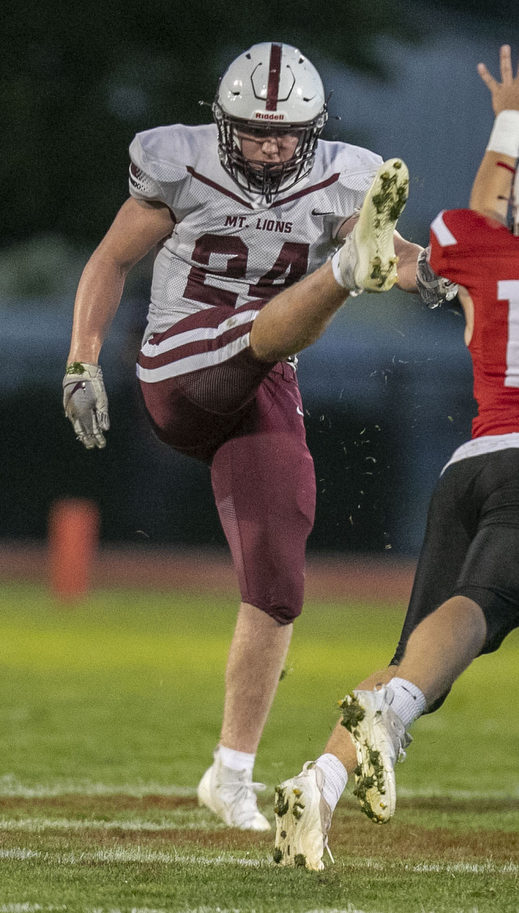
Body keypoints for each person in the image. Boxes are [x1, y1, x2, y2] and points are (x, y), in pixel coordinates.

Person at [270, 42, 519, 870]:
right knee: (478, 614)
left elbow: (487, 204)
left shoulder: (479, 248)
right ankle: (390, 715)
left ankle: (316, 787)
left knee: (421, 661)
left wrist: (514, 116)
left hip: (472, 464)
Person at [63, 41, 434, 831]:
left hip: (265, 376)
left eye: (285, 133)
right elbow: (110, 259)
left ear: (315, 128)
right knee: (265, 330)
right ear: (222, 124)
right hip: (179, 362)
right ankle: (338, 275)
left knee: (277, 583)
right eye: (253, 131)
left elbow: (402, 263)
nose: (269, 145)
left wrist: (443, 279)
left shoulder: (343, 176)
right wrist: (82, 362)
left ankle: (230, 775)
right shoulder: (181, 165)